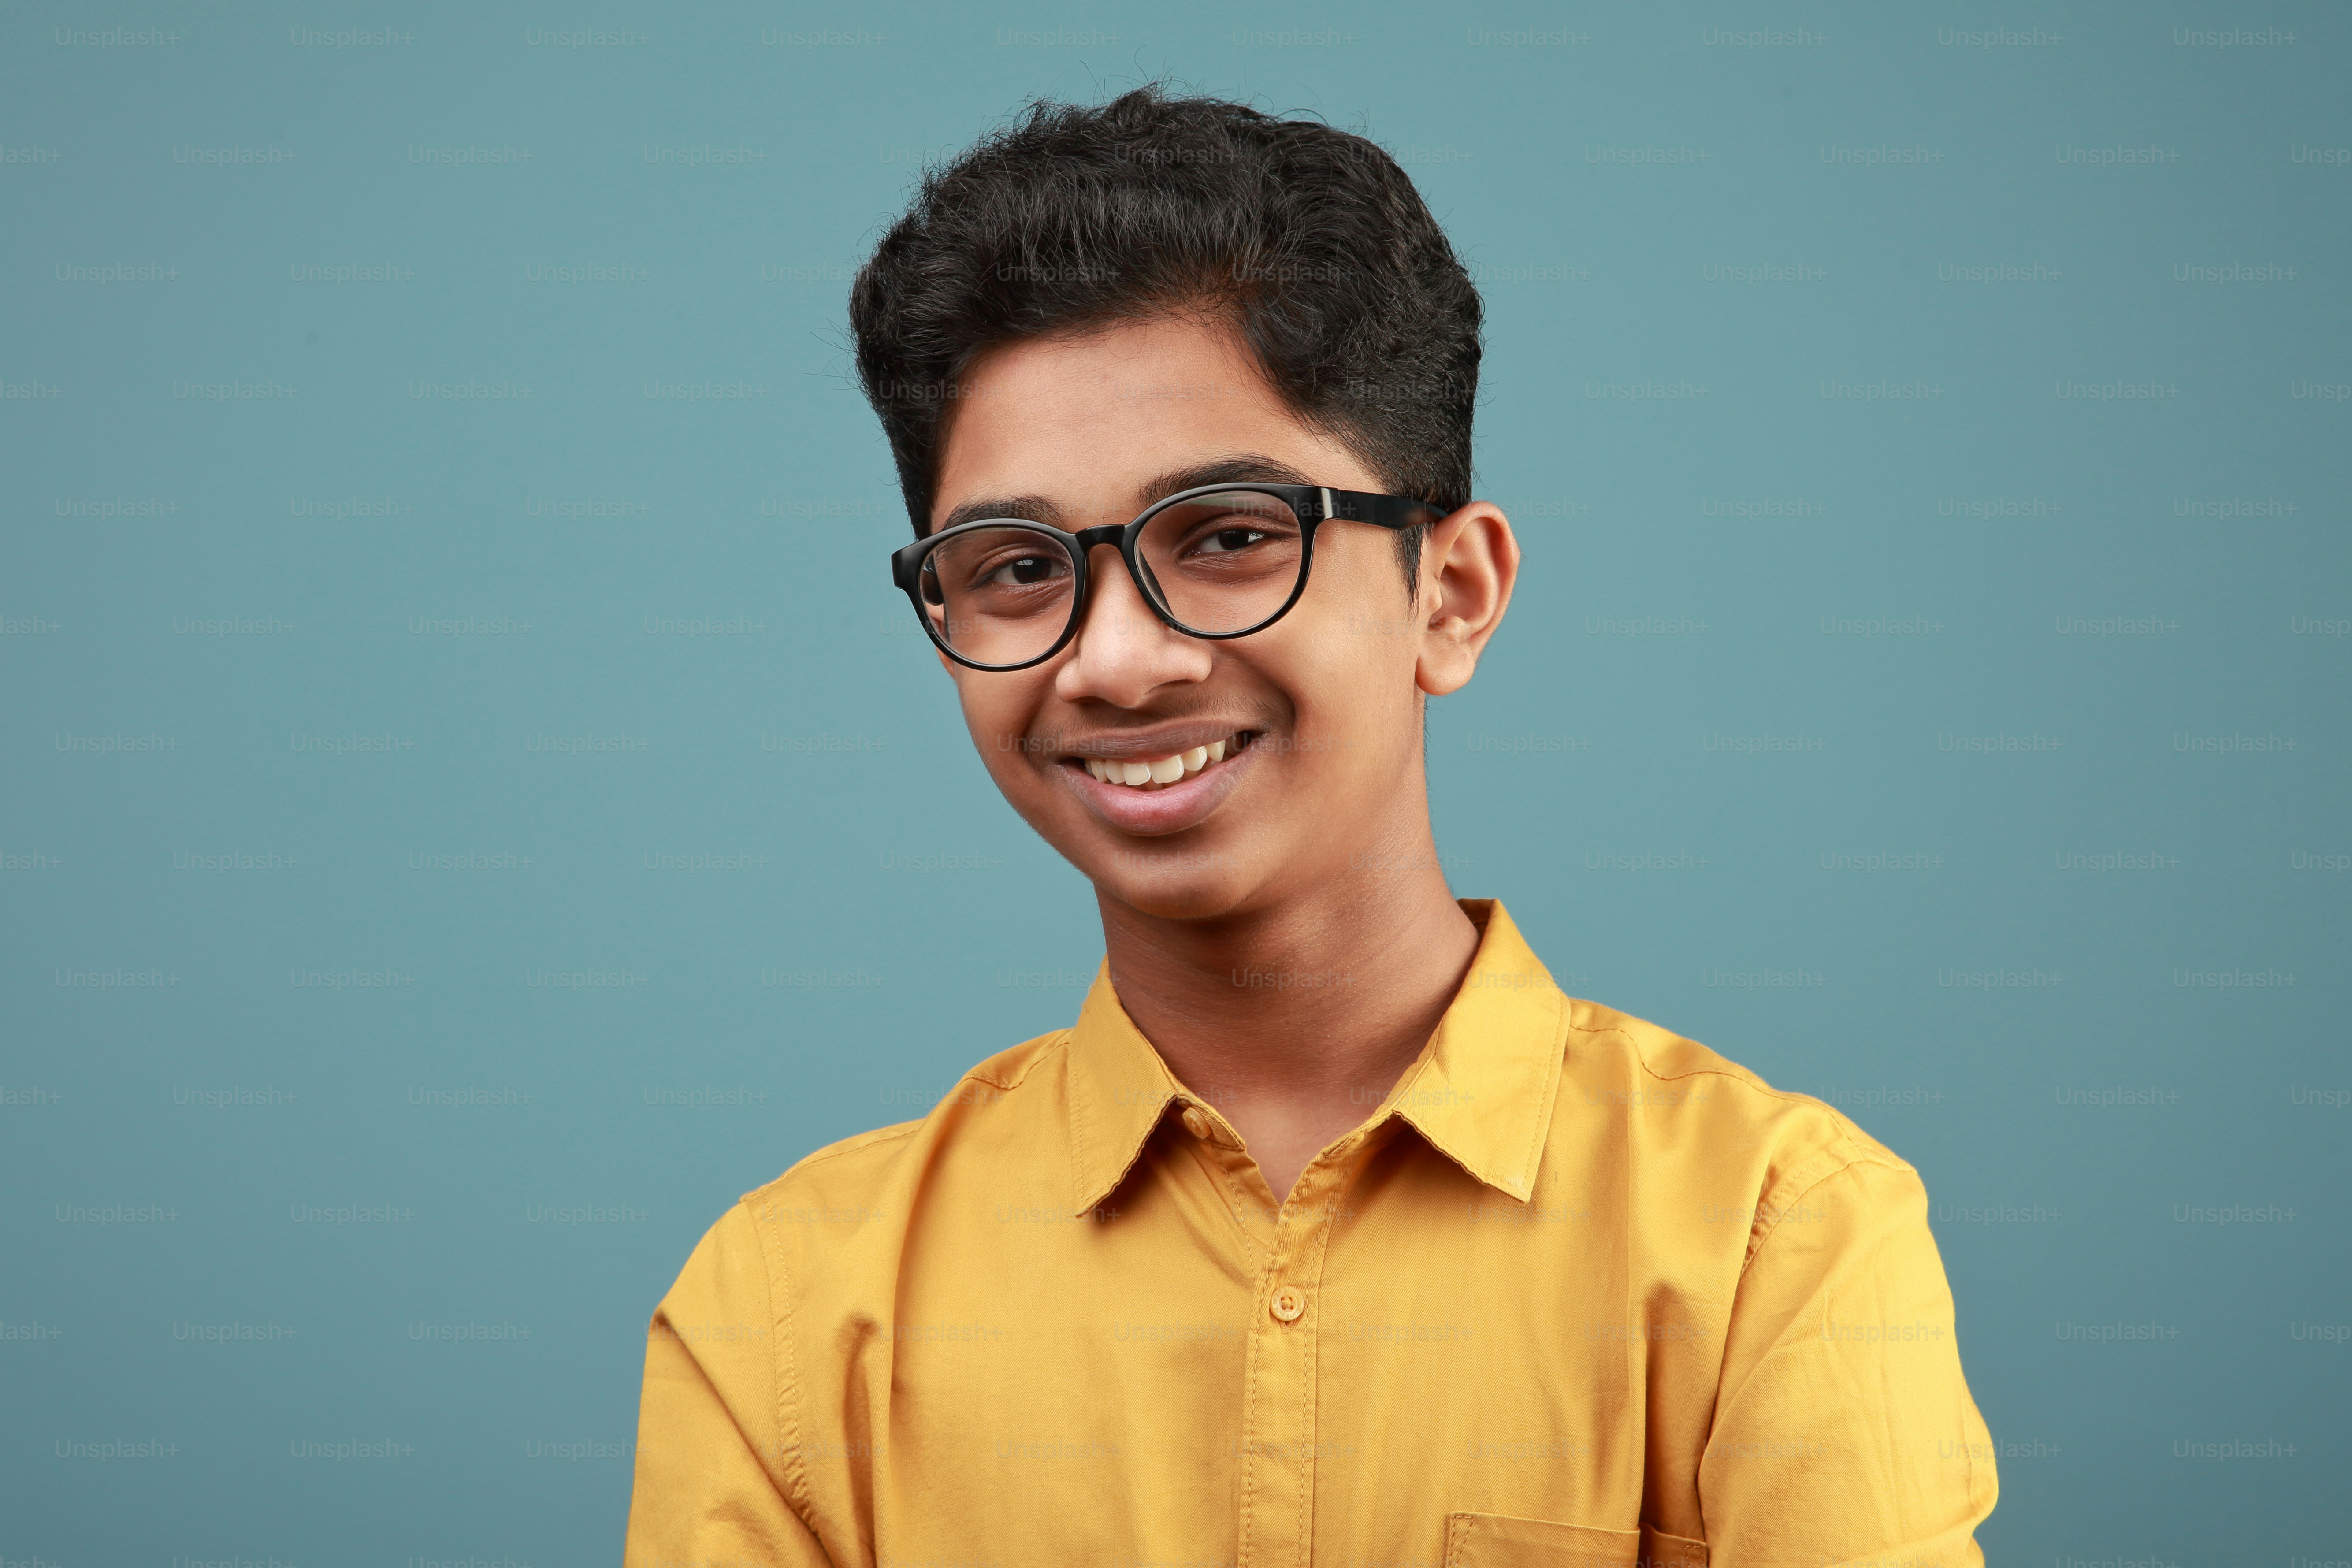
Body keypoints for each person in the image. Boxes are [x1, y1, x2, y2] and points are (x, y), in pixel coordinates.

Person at [624, 86, 1997, 1568]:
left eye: (1224, 537)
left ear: (1452, 594)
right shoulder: (787, 1315)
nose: (1115, 660)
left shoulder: (1769, 1240)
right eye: (1017, 567)